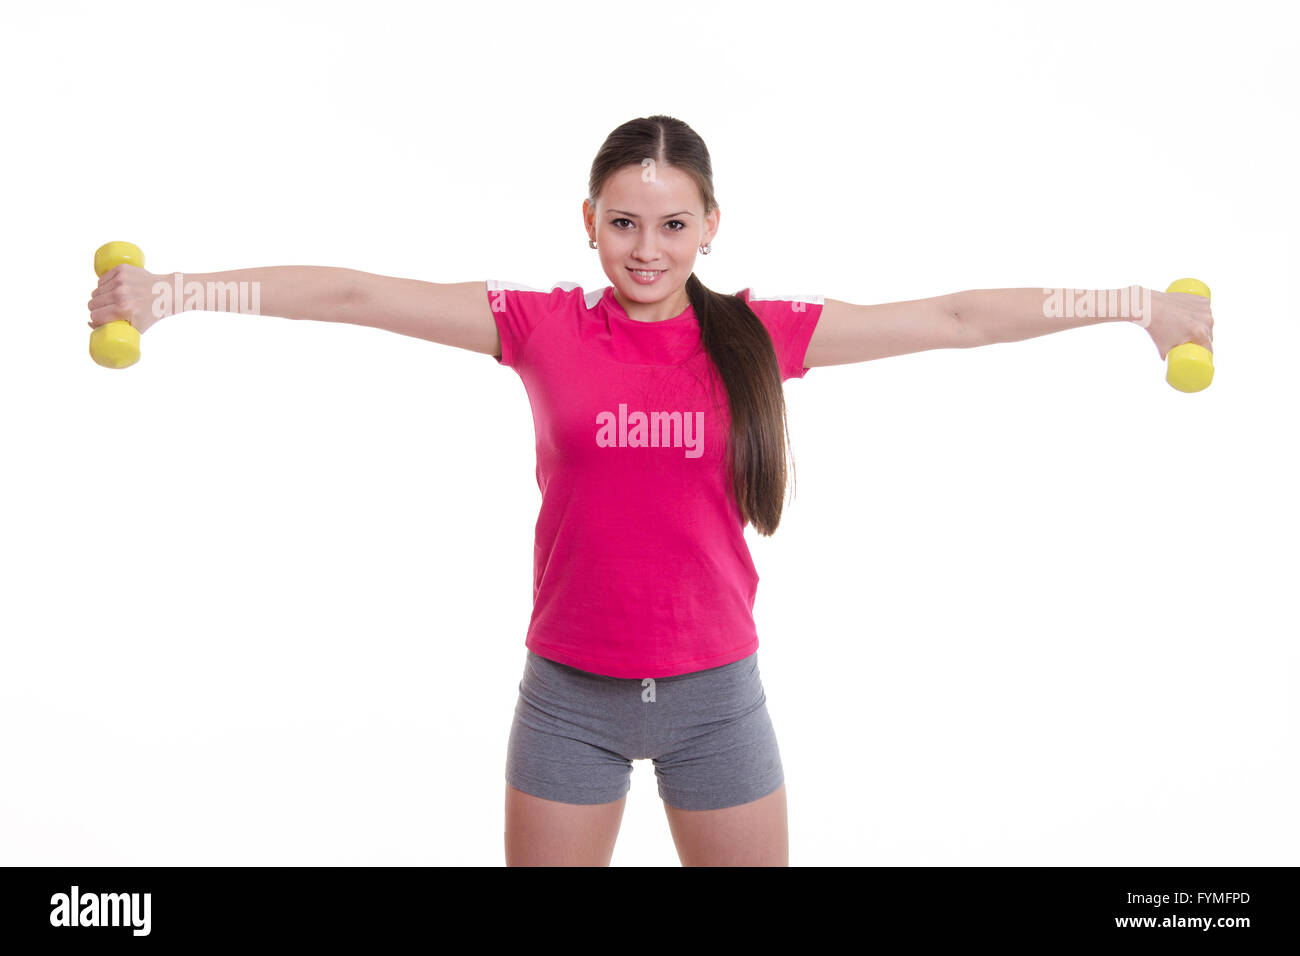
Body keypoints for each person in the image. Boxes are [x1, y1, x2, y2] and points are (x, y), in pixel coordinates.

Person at [86, 114, 1214, 867]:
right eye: (622, 222)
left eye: (672, 224)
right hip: (567, 697)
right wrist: (176, 289)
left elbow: (956, 319)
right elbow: (349, 295)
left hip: (718, 698)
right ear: (589, 223)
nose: (645, 248)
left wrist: (1130, 304)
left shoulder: (762, 337)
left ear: (709, 228)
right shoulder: (536, 327)